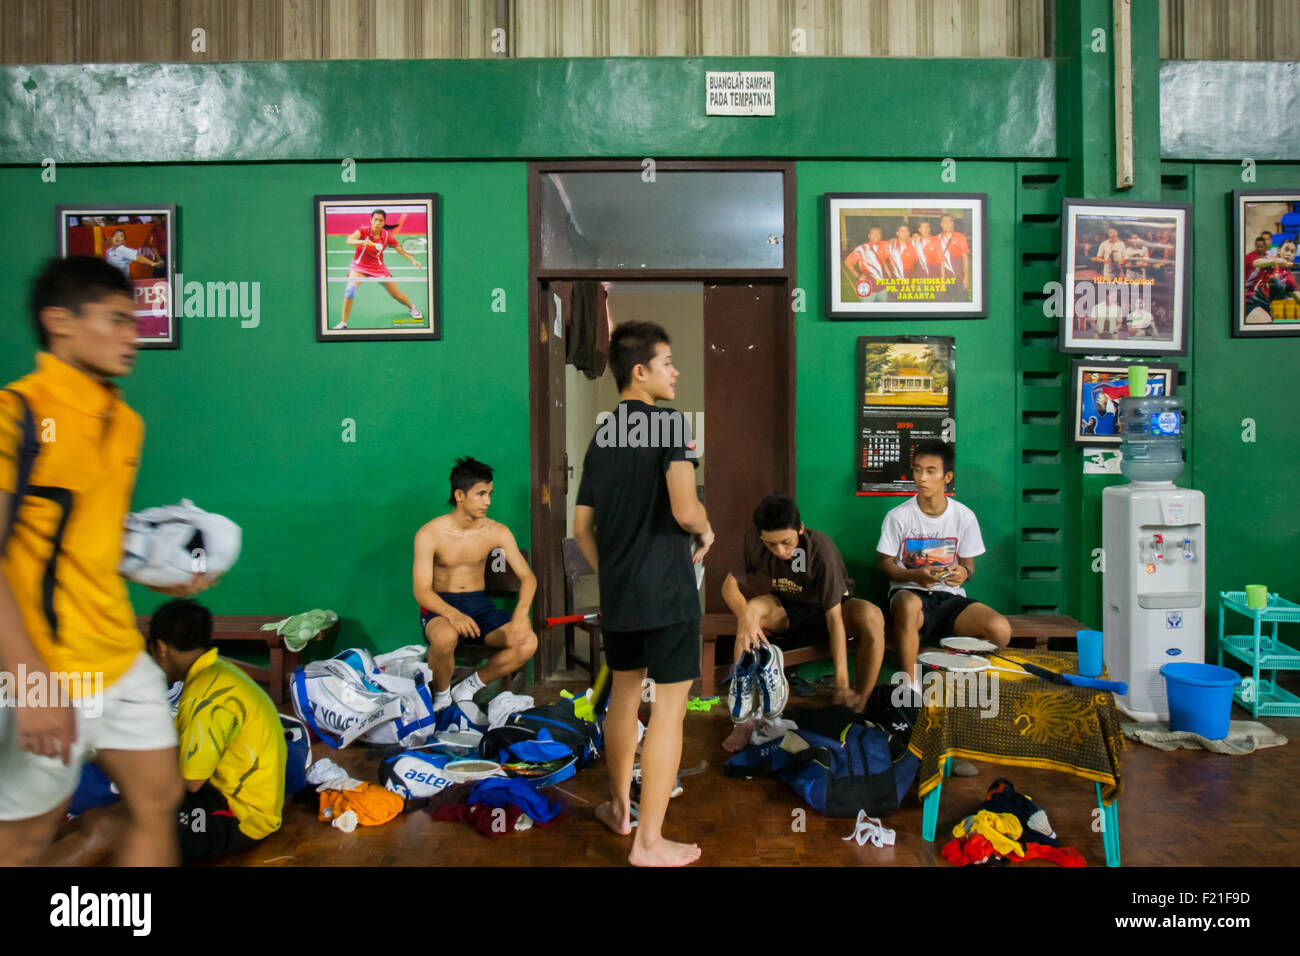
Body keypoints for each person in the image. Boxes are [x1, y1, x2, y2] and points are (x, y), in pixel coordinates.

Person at [0, 257, 215, 867]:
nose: (134, 336)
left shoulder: (125, 423)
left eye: (135, 320)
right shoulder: (15, 412)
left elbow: (82, 543)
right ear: (59, 322)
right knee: (22, 841)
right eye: (118, 321)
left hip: (118, 658)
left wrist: (164, 569)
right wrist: (30, 682)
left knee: (158, 799)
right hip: (43, 667)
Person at [572, 320, 712, 867]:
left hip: (623, 595)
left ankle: (618, 808)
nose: (675, 372)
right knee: (670, 710)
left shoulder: (602, 435)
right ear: (640, 371)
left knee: (624, 696)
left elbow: (583, 527)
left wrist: (618, 572)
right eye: (668, 363)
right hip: (670, 593)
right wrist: (704, 526)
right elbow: (683, 507)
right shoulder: (669, 425)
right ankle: (648, 842)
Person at [45, 599, 287, 864]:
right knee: (95, 816)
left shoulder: (207, 697)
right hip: (216, 796)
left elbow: (190, 782)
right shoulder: (218, 675)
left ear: (160, 647)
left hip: (238, 815)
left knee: (105, 828)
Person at [720, 495, 884, 752]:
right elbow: (729, 587)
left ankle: (860, 703)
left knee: (872, 616)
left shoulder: (820, 547)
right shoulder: (753, 539)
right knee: (750, 610)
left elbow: (834, 619)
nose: (781, 552)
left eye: (786, 543)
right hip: (788, 607)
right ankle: (744, 721)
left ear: (800, 528)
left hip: (831, 609)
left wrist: (841, 683)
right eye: (771, 545)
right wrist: (747, 617)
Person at [876, 439, 1011, 695]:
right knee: (908, 603)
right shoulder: (898, 516)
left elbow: (969, 566)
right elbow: (884, 563)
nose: (921, 477)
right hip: (910, 594)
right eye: (917, 469)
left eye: (930, 471)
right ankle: (911, 687)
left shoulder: (964, 516)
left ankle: (933, 653)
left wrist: (964, 573)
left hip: (949, 597)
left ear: (947, 476)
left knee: (1000, 630)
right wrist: (913, 575)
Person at [413, 457, 538, 709]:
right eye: (480, 494)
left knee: (528, 642)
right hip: (440, 607)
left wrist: (522, 614)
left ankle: (468, 687)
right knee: (445, 638)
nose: (488, 501)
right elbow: (421, 591)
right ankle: (441, 697)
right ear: (459, 495)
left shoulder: (496, 531)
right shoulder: (429, 534)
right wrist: (453, 615)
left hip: (479, 606)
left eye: (490, 493)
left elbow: (528, 577)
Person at [332, 209, 426, 330]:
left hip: (378, 268)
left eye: (380, 220)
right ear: (371, 220)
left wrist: (413, 260)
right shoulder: (363, 230)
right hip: (359, 267)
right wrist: (363, 242)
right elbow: (349, 240)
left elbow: (400, 250)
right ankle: (343, 323)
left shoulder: (387, 236)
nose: (377, 222)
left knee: (396, 294)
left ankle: (412, 307)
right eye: (375, 219)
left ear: (383, 222)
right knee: (350, 289)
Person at [1243, 238, 1300, 325]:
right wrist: (1275, 261)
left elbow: (1297, 297)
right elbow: (1256, 263)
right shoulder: (1270, 260)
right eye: (1286, 249)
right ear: (1279, 250)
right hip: (1248, 300)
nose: (1288, 254)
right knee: (1266, 325)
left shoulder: (1288, 278)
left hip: (1265, 308)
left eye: (1292, 252)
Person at [844, 226, 889, 302]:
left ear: (881, 236)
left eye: (878, 233)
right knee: (866, 311)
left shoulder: (884, 246)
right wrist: (858, 275)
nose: (875, 235)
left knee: (882, 311)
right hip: (867, 287)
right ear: (869, 235)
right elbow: (847, 262)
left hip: (883, 288)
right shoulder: (861, 248)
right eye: (873, 233)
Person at [937, 214, 971, 301]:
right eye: (945, 222)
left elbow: (965, 258)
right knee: (945, 307)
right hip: (944, 280)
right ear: (941, 224)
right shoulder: (937, 239)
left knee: (963, 304)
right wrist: (942, 281)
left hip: (959, 279)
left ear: (953, 224)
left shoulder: (960, 237)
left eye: (950, 221)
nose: (947, 224)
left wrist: (966, 277)